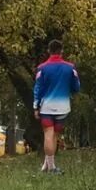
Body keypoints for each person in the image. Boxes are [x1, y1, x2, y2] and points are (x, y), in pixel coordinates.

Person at [32, 39, 81, 175]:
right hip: (63, 106)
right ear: (62, 51)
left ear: (49, 50)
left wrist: (35, 107)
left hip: (46, 106)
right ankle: (50, 167)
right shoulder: (70, 67)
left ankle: (49, 166)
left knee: (48, 134)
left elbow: (37, 88)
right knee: (55, 135)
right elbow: (76, 87)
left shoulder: (42, 68)